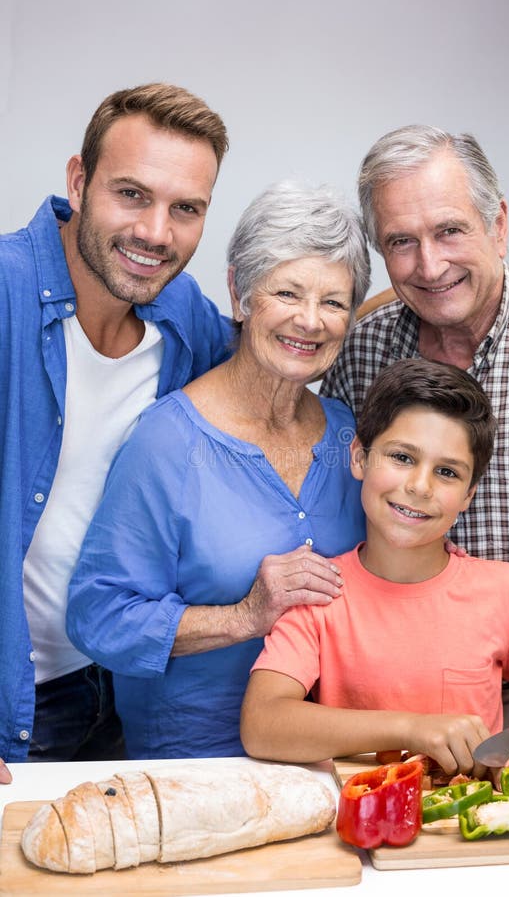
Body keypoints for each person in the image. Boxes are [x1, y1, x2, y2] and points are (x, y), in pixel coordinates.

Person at [66, 180, 371, 759]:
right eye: (287, 292)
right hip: (199, 768)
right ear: (239, 294)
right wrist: (244, 616)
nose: (310, 321)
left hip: (332, 765)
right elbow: (98, 617)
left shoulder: (348, 435)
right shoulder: (168, 442)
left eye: (333, 302)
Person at [321, 124, 509, 731]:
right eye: (401, 241)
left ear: (497, 224)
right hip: (383, 712)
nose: (430, 265)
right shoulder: (360, 349)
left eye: (449, 230)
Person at [0, 82, 232, 779]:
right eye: (132, 194)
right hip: (18, 706)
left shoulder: (182, 315)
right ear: (79, 180)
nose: (156, 233)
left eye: (185, 209)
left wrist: (390, 301)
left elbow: (275, 346)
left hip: (122, 689)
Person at [241, 359, 509, 772]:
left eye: (446, 472)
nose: (420, 486)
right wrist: (410, 729)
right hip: (361, 817)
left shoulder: (498, 588)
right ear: (360, 458)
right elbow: (262, 723)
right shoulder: (321, 591)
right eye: (402, 457)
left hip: (468, 822)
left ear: (469, 495)